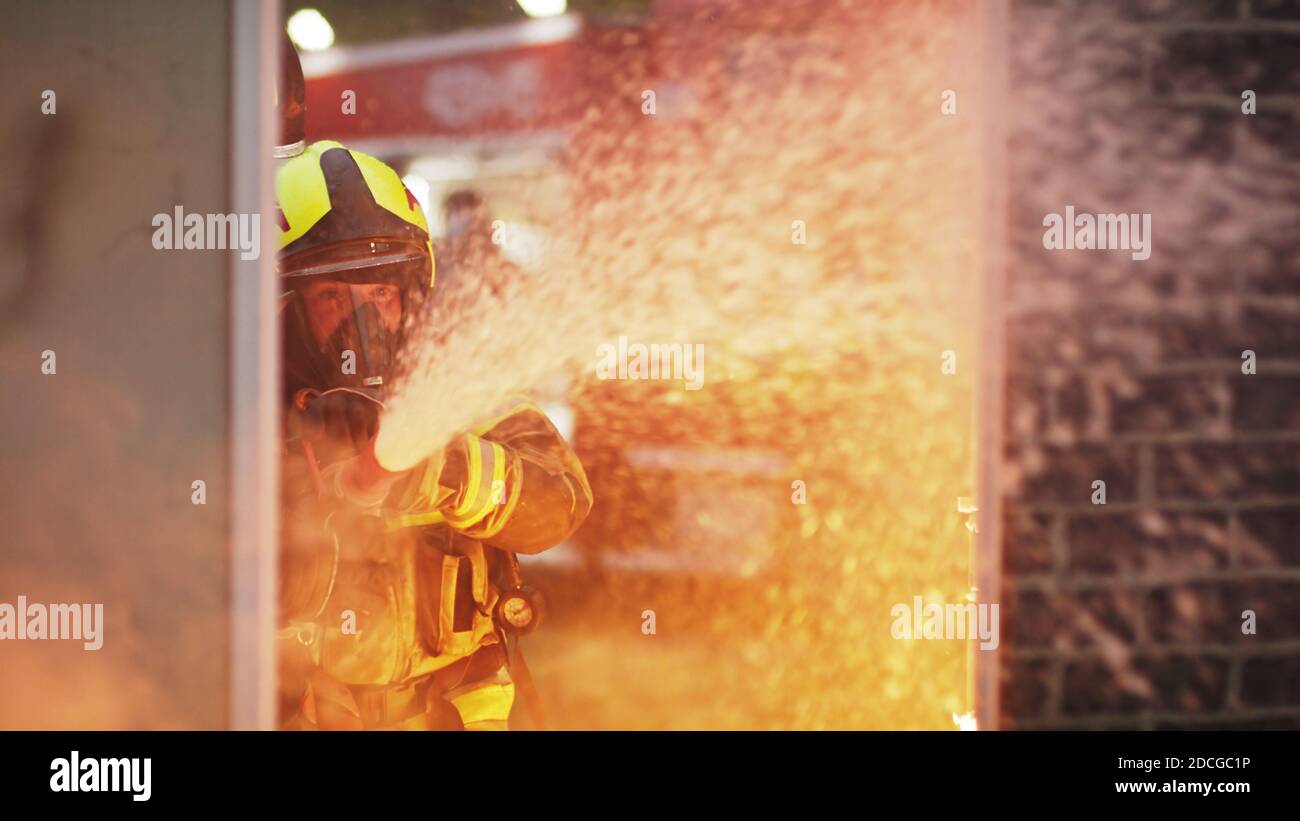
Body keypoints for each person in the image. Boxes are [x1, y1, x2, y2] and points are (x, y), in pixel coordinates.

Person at [275, 139, 592, 730]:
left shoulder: (455, 397)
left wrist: (434, 470)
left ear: (411, 292)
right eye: (331, 297)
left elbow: (562, 502)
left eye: (379, 293)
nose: (365, 319)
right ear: (286, 309)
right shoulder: (245, 431)